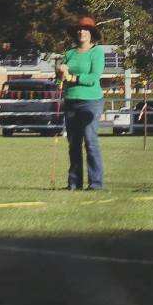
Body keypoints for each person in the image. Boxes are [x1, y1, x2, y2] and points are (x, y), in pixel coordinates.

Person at [56, 15, 106, 190]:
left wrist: (73, 77)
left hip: (91, 101)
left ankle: (96, 184)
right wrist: (59, 73)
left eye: (86, 30)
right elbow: (59, 82)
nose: (82, 32)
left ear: (91, 33)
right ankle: (74, 183)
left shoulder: (97, 52)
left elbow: (93, 78)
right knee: (73, 143)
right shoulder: (69, 53)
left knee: (90, 140)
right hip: (71, 100)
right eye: (79, 29)